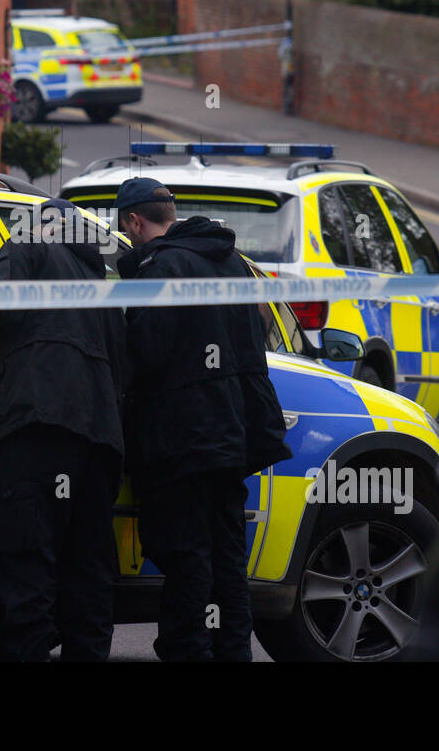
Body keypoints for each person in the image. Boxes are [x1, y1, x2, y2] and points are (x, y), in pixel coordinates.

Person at [0, 198, 127, 661]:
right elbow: (124, 367)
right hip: (99, 438)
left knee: (26, 563)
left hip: (36, 423)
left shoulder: (28, 247)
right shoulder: (101, 284)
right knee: (88, 570)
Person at [114, 177, 291, 662]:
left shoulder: (161, 268)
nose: (128, 239)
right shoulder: (229, 261)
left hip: (183, 438)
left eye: (125, 228)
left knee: (186, 558)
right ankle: (233, 652)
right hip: (232, 434)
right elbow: (257, 332)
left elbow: (144, 354)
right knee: (227, 560)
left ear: (135, 220)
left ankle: (186, 649)